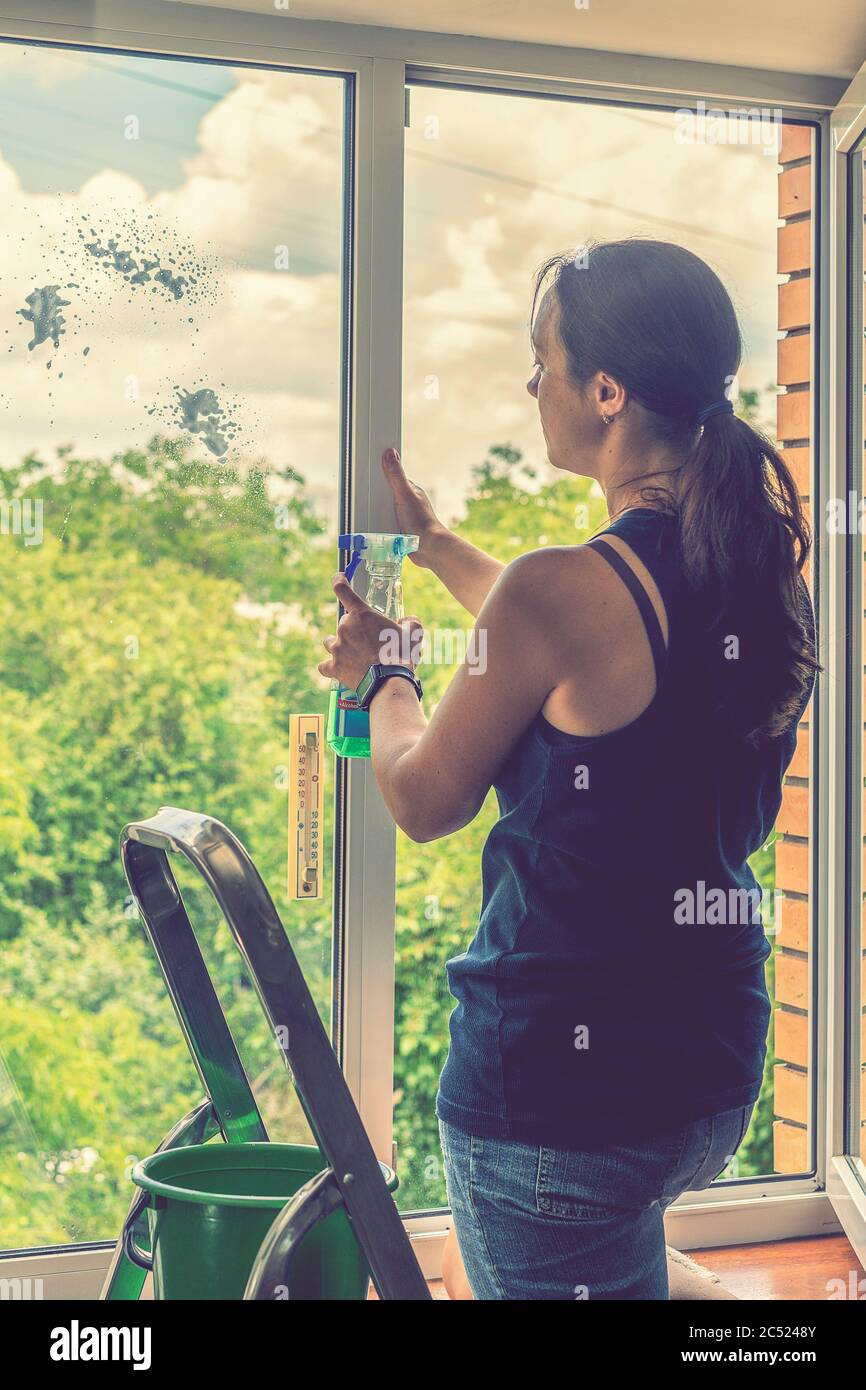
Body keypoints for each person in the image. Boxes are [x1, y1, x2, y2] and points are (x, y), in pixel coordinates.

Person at [319, 237, 818, 1300]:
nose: (529, 382)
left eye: (540, 360)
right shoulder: (752, 566)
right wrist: (443, 545)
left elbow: (421, 798)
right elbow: (586, 658)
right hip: (704, 1076)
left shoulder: (562, 593)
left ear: (603, 390)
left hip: (556, 1105)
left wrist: (382, 675)